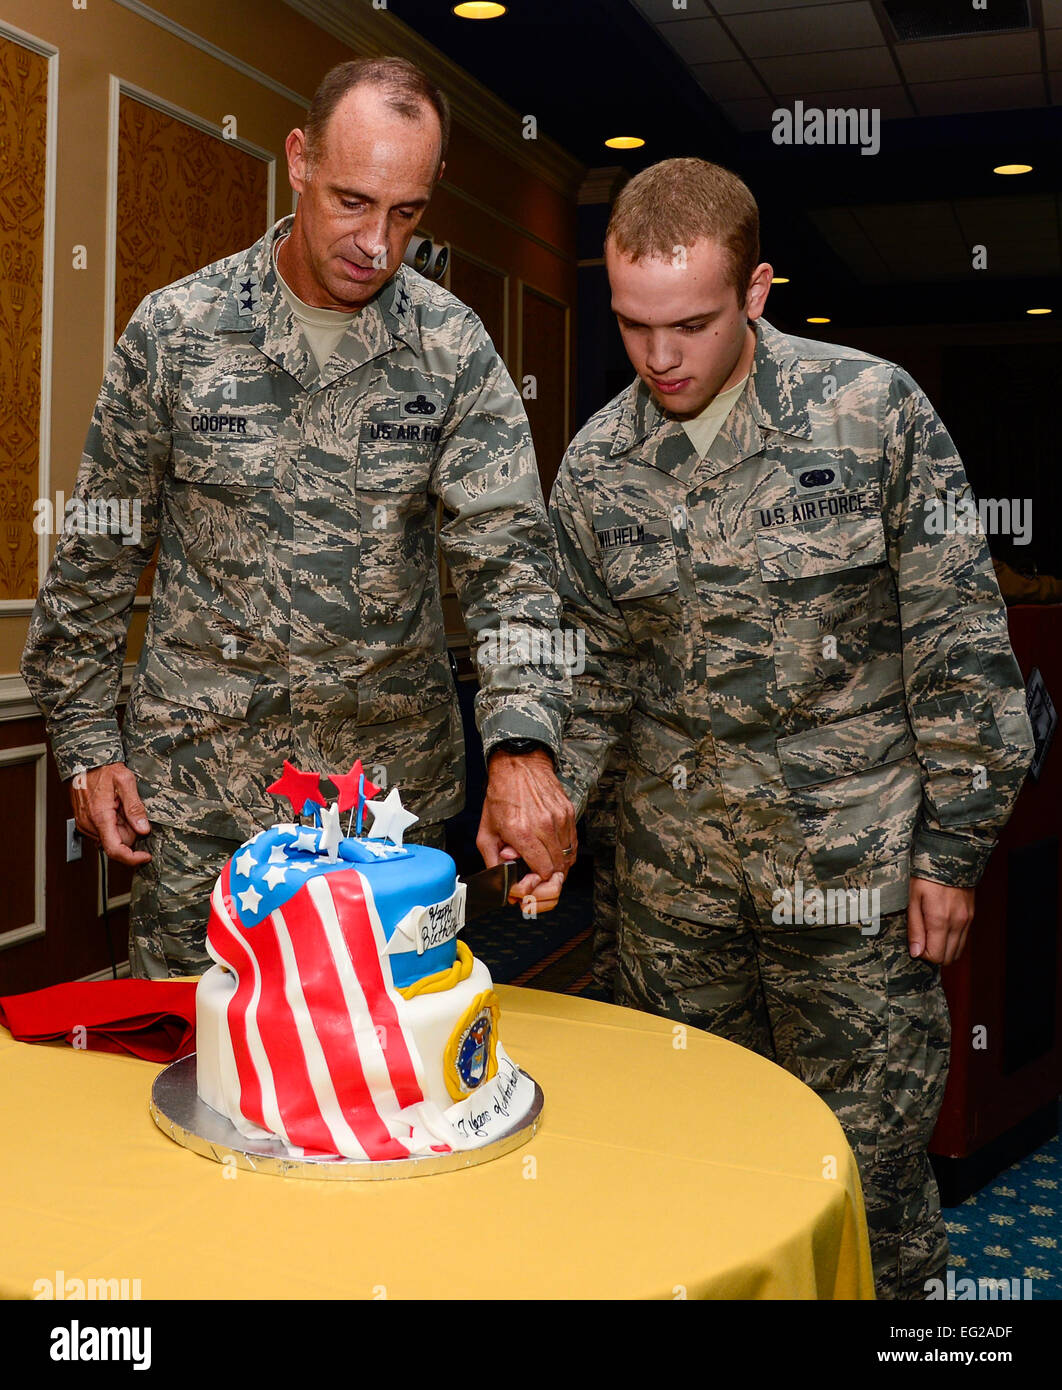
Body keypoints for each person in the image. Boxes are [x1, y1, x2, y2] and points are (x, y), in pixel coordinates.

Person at [546, 158, 1034, 1299]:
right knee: (687, 1161)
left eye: (692, 324)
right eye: (632, 325)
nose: (659, 357)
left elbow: (959, 640)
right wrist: (553, 804)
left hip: (855, 881)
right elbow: (587, 670)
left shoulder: (874, 413)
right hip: (673, 894)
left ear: (757, 290)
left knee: (868, 1172)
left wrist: (954, 852)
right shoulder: (598, 467)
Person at [21, 57, 576, 977]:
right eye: (354, 201)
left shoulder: (452, 348)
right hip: (204, 805)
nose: (378, 246)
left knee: (385, 1076)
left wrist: (519, 740)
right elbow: (98, 554)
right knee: (196, 1072)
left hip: (386, 814)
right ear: (299, 161)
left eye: (407, 214)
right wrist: (86, 747)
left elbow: (509, 563)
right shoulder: (177, 331)